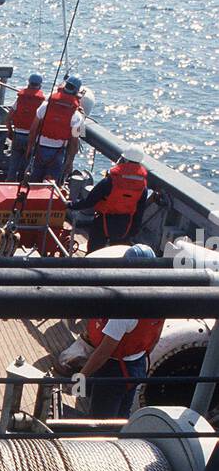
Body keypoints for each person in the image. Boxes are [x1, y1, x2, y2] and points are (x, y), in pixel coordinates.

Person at [65, 244, 163, 418]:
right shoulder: (160, 299)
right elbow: (154, 339)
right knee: (121, 415)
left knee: (100, 422)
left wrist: (79, 379)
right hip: (138, 365)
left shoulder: (126, 310)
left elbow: (103, 353)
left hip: (114, 370)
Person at [69, 145, 149, 252]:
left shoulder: (111, 181)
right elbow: (139, 212)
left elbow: (90, 201)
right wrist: (133, 230)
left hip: (103, 222)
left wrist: (71, 205)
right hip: (125, 225)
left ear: (123, 160)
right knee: (116, 254)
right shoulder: (143, 186)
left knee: (94, 252)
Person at [26, 75, 84, 183]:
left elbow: (33, 129)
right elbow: (74, 142)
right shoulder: (77, 116)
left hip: (40, 148)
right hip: (58, 151)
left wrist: (30, 147)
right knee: (51, 182)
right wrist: (70, 162)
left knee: (34, 180)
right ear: (77, 91)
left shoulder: (45, 106)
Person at [4, 73, 45, 180]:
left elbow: (8, 118)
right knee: (27, 163)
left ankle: (9, 182)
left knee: (13, 163)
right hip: (31, 138)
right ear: (39, 86)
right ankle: (22, 184)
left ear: (29, 83)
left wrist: (10, 132)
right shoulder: (42, 103)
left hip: (17, 135)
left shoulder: (20, 99)